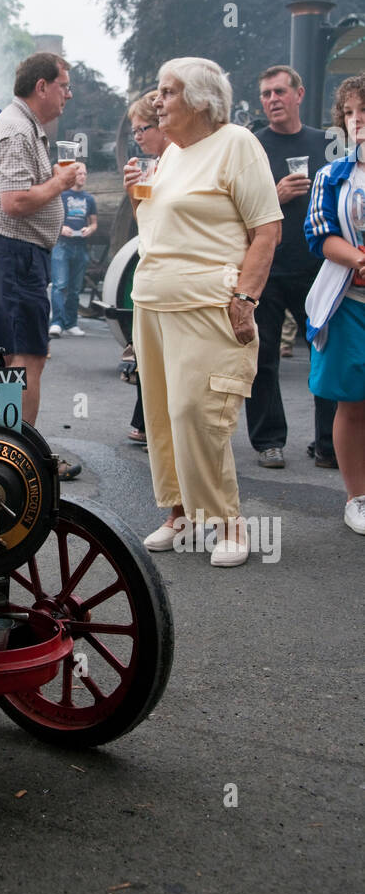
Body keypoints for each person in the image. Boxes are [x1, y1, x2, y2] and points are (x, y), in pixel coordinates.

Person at [126, 58, 282, 567]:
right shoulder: (170, 155)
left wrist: (246, 299)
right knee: (162, 416)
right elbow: (158, 231)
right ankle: (178, 514)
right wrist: (136, 195)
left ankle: (227, 522)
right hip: (151, 300)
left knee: (199, 413)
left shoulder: (236, 143)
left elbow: (266, 230)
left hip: (207, 302)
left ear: (200, 100)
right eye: (158, 90)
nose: (156, 101)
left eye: (168, 92)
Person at [0, 51, 80, 476]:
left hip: (21, 254)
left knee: (14, 355)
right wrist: (60, 182)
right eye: (63, 85)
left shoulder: (24, 126)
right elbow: (14, 203)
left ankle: (10, 451)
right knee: (26, 357)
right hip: (16, 253)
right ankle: (22, 460)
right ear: (41, 86)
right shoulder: (14, 128)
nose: (68, 94)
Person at [245, 65, 337, 469]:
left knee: (326, 355)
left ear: (299, 94)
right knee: (263, 357)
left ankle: (330, 444)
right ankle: (269, 441)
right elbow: (238, 210)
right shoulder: (252, 146)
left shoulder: (327, 142)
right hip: (266, 267)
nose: (272, 100)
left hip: (319, 268)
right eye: (266, 94)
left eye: (280, 92)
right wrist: (276, 195)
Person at [304, 75, 365, 535]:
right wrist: (361, 259)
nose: (357, 121)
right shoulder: (332, 174)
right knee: (353, 402)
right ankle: (357, 497)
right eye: (350, 113)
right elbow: (320, 234)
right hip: (349, 301)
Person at [123, 91, 170, 444]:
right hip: (153, 268)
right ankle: (147, 423)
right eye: (134, 131)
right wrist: (133, 194)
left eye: (143, 129)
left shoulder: (179, 162)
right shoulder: (153, 166)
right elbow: (146, 222)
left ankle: (156, 425)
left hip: (174, 272)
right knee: (149, 354)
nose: (138, 137)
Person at [49, 161, 97, 338]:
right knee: (60, 285)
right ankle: (56, 323)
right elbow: (51, 217)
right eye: (79, 173)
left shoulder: (89, 199)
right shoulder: (61, 195)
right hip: (62, 244)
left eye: (85, 173)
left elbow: (94, 223)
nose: (82, 176)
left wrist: (89, 230)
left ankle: (71, 323)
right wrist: (61, 229)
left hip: (80, 245)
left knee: (75, 289)